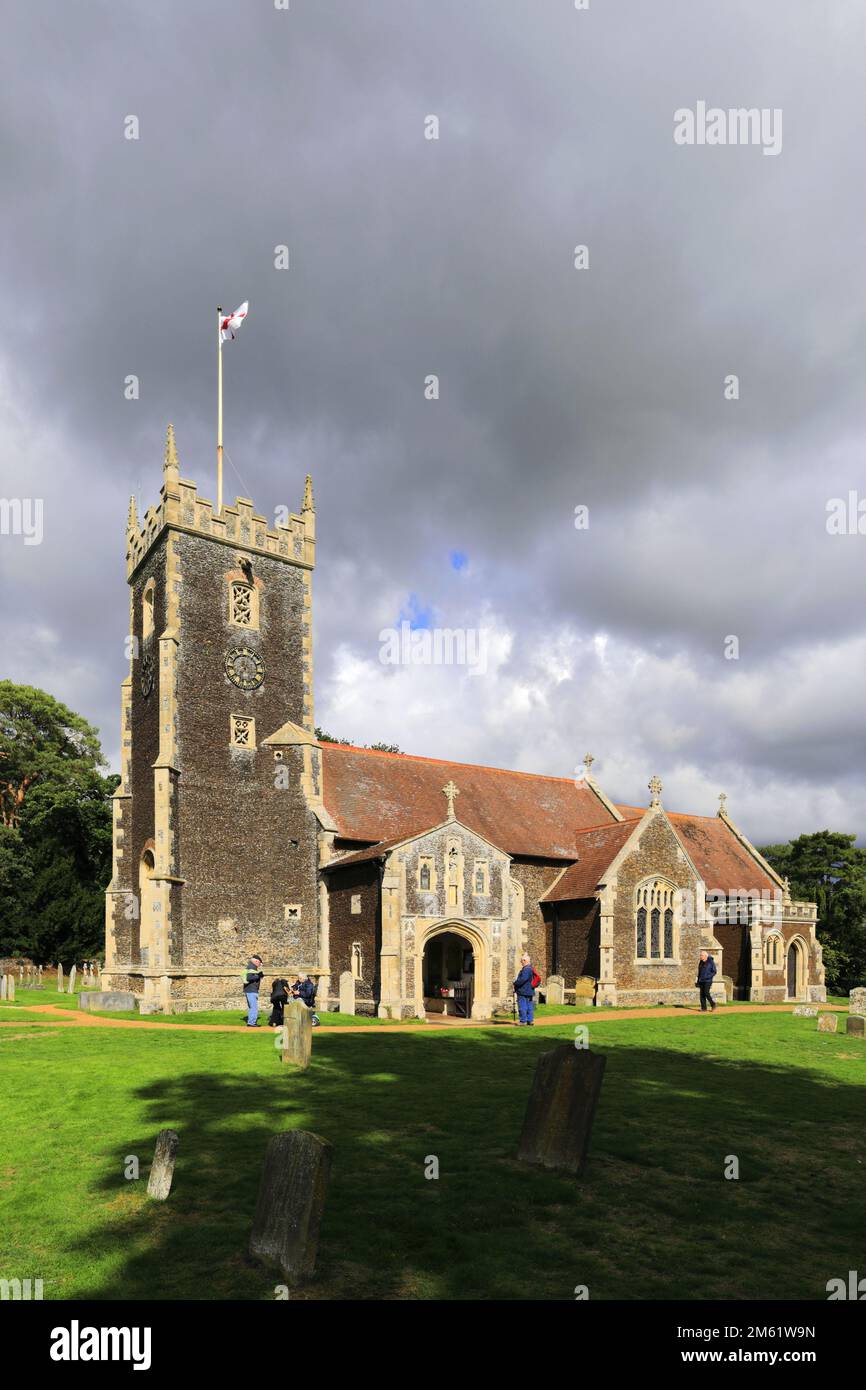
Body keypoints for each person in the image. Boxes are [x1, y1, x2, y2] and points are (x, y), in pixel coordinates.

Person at [513, 953, 538, 1026]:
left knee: (522, 1006)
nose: (521, 962)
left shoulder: (526, 969)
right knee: (529, 1006)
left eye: (521, 961)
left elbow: (523, 979)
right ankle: (530, 1021)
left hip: (523, 991)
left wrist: (515, 983)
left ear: (524, 961)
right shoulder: (531, 969)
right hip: (529, 991)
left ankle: (523, 1021)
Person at [243, 955, 264, 1026]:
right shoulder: (252, 967)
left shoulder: (250, 966)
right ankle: (252, 1022)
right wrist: (258, 976)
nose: (259, 965)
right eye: (259, 963)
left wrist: (258, 975)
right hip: (251, 990)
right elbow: (249, 978)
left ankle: (250, 1022)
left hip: (249, 990)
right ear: (256, 961)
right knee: (254, 1007)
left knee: (251, 1007)